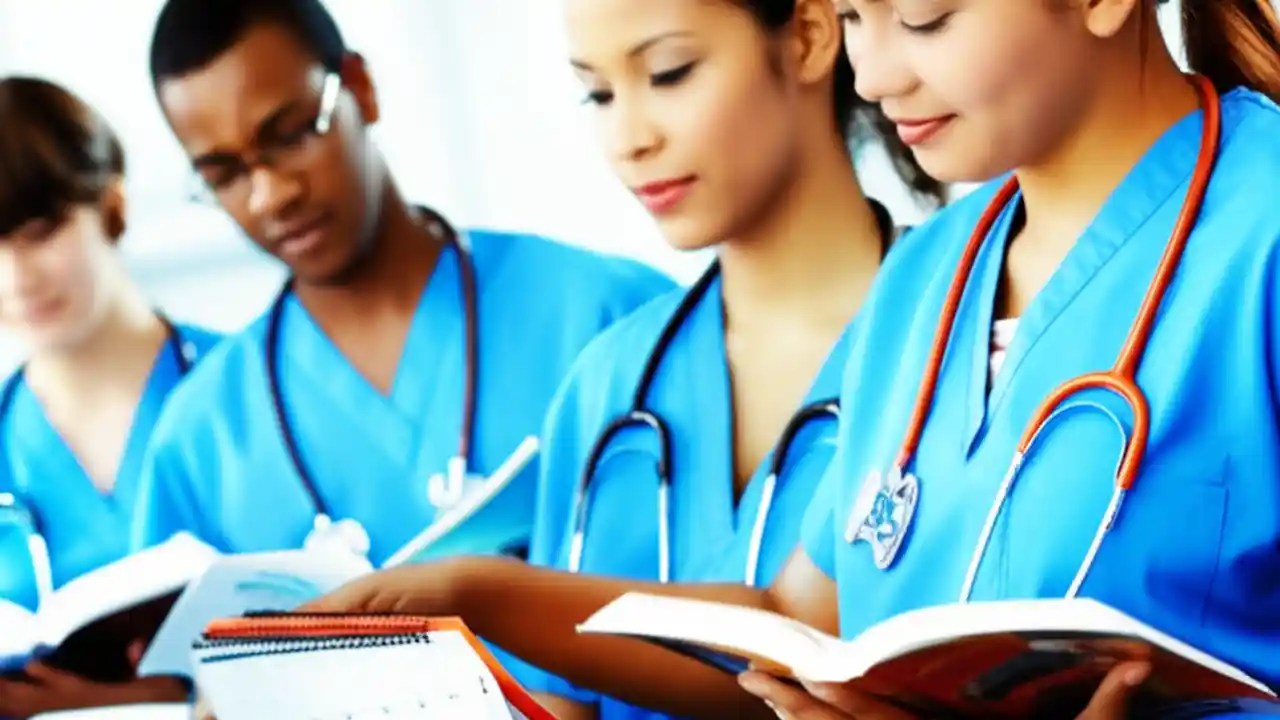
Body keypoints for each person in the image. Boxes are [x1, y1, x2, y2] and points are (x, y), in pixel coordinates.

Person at [306, 0, 1280, 718]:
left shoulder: (1260, 234)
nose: (874, 76)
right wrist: (477, 595)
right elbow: (797, 623)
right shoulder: (924, 281)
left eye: (924, 19)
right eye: (856, 17)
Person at [131, 0, 675, 567]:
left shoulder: (610, 312)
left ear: (361, 90)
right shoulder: (200, 439)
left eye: (292, 135)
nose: (270, 196)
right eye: (224, 175)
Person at [514, 0, 939, 718]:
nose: (627, 139)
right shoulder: (606, 388)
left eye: (669, 73)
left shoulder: (961, 346)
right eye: (599, 93)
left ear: (808, 37)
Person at [0, 76, 219, 717]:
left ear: (111, 206)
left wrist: (146, 698)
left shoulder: (253, 390)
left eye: (41, 230)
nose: (17, 275)